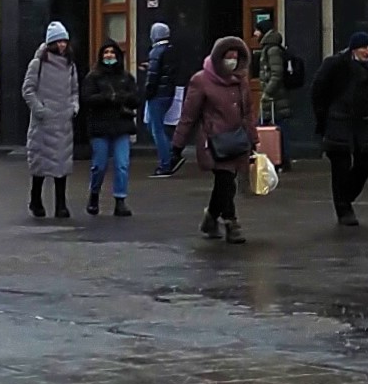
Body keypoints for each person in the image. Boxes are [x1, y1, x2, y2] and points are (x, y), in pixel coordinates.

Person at [178, 33, 261, 242]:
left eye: (235, 56)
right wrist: (177, 144)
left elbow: (247, 111)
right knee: (226, 181)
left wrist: (253, 138)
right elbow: (189, 115)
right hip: (214, 141)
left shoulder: (241, 80)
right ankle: (231, 223)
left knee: (225, 183)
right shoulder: (201, 80)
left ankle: (211, 217)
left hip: (238, 139)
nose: (231, 61)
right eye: (228, 56)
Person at [306, 27, 368, 227]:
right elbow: (318, 89)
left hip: (363, 123)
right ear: (354, 49)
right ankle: (344, 209)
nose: (367, 52)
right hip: (338, 121)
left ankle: (346, 197)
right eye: (363, 48)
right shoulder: (335, 64)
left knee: (366, 163)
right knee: (340, 165)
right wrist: (324, 116)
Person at [20, 22, 81, 221]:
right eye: (58, 41)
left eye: (64, 41)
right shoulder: (37, 63)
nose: (62, 45)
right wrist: (40, 110)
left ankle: (61, 205)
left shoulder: (70, 64)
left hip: (63, 120)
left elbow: (74, 89)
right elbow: (28, 89)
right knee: (40, 162)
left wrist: (73, 106)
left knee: (61, 164)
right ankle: (36, 199)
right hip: (43, 121)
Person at [80, 37, 143, 217]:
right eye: (106, 53)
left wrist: (124, 97)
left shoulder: (126, 77)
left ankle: (120, 200)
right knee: (99, 165)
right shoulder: (93, 77)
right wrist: (106, 97)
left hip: (121, 127)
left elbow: (136, 100)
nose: (109, 55)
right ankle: (94, 195)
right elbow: (87, 100)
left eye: (112, 52)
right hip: (100, 127)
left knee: (122, 164)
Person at [139, 20, 189, 175]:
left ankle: (167, 162)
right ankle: (170, 155)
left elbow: (153, 76)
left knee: (156, 129)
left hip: (157, 94)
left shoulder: (155, 51)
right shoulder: (170, 50)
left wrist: (147, 92)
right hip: (169, 92)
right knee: (156, 126)